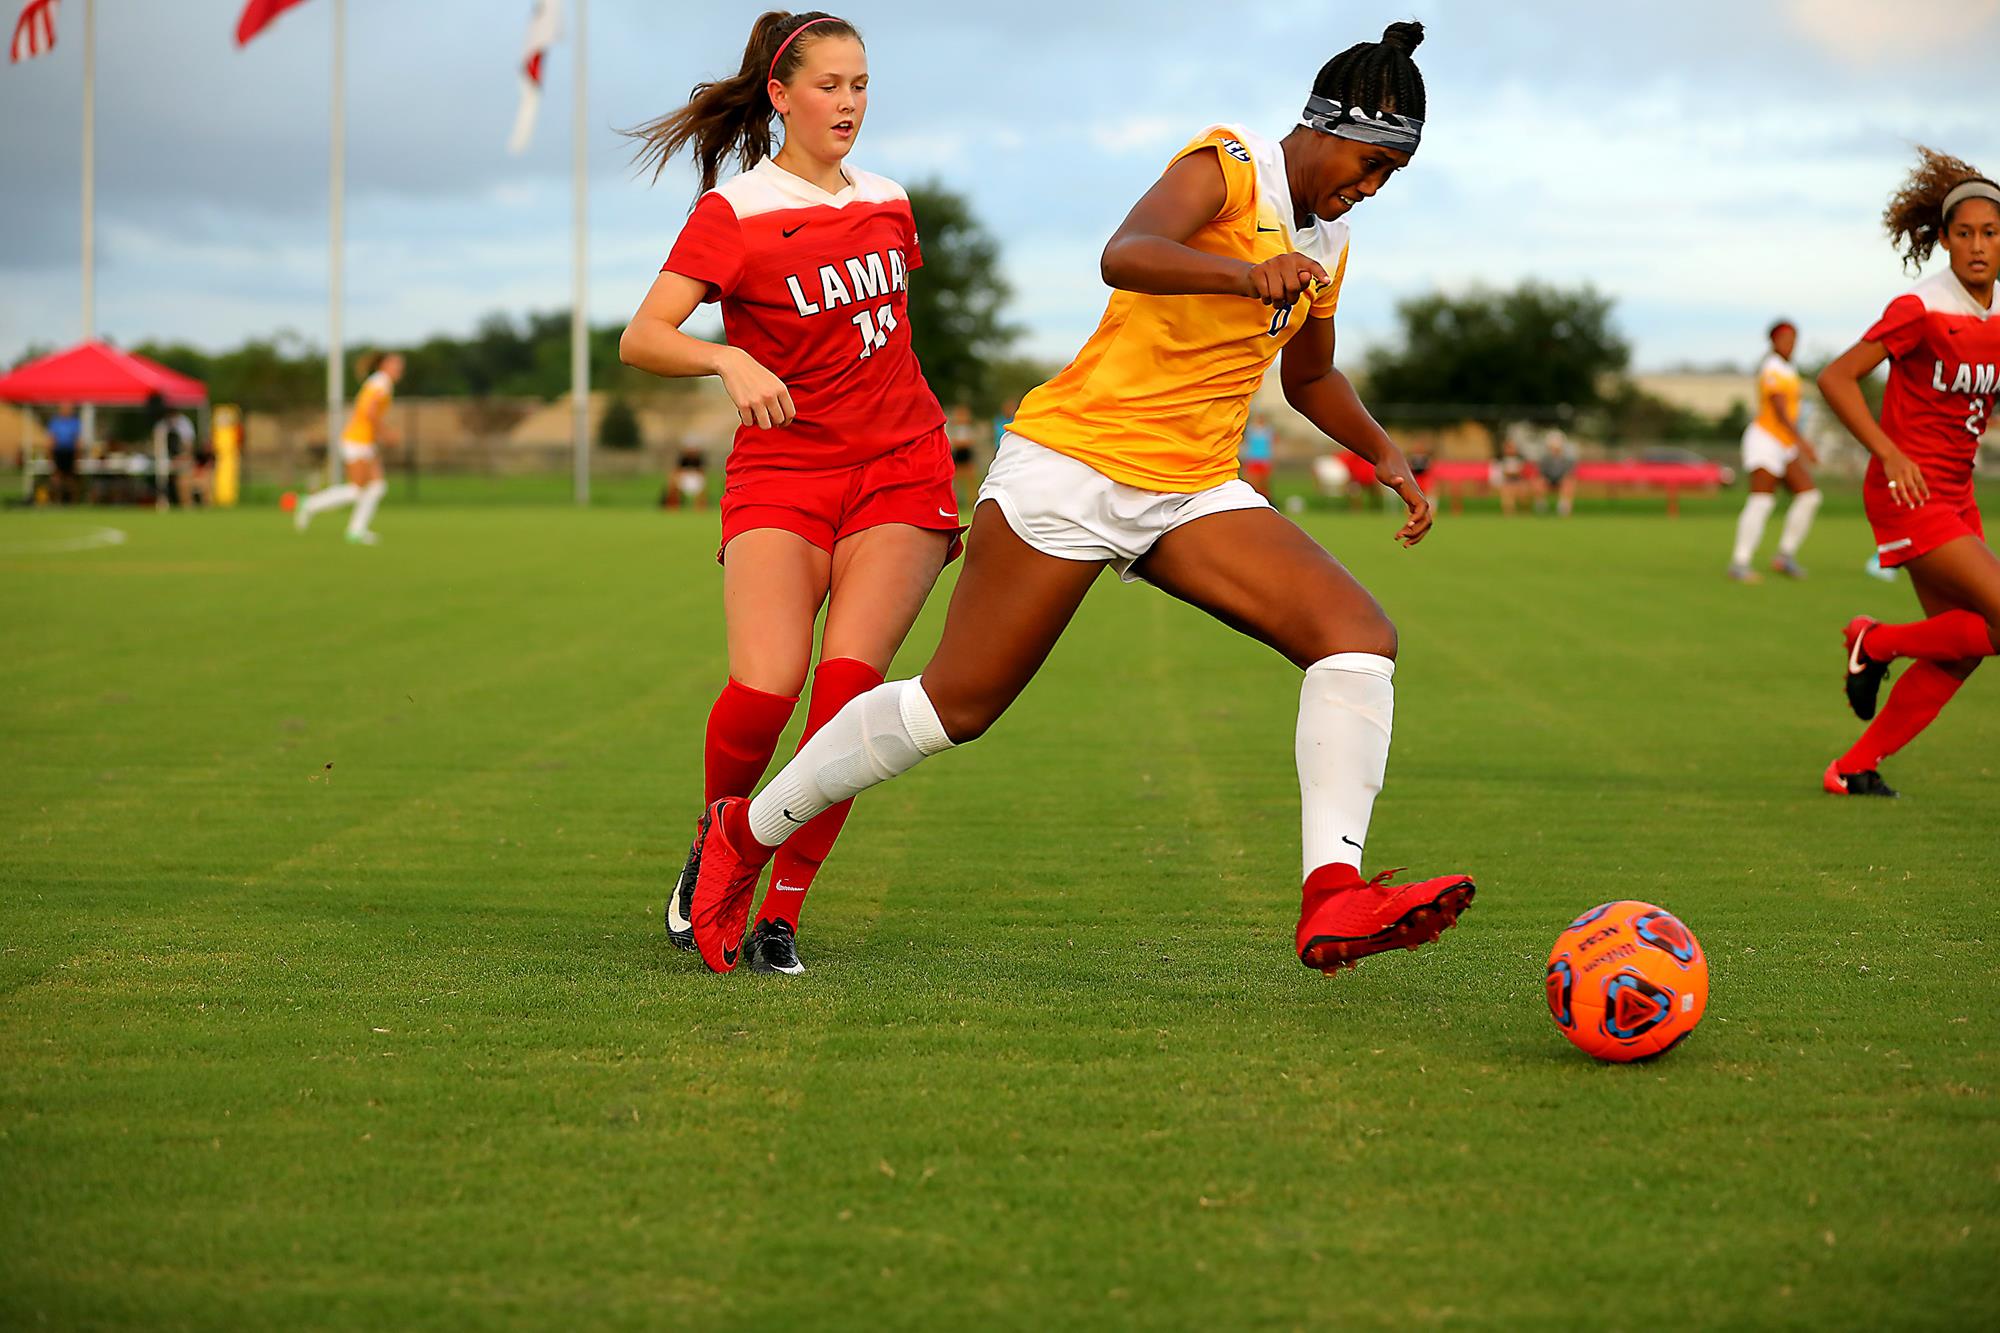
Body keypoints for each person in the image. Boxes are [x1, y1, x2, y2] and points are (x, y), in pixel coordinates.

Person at [683, 21, 1474, 976]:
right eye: (1370, 159)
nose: (1374, 184)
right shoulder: (1226, 166)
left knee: (1357, 637)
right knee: (954, 706)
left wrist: (1383, 452)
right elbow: (1125, 250)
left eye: (1395, 173)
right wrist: (1243, 272)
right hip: (1073, 466)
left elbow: (1310, 378)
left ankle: (1333, 896)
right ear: (1319, 125)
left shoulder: (1330, 243)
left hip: (1191, 488)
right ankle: (745, 833)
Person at [619, 11, 962, 975]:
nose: (849, 102)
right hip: (784, 469)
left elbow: (883, 342)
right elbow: (642, 337)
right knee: (765, 689)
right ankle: (718, 836)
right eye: (829, 85)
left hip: (903, 467)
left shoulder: (890, 200)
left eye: (861, 84)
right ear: (780, 96)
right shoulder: (734, 213)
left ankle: (783, 912)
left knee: (846, 701)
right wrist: (726, 357)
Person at [1819, 149, 2000, 797]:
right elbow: (1835, 377)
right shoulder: (1919, 307)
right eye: (1965, 233)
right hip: (1906, 491)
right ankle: (1879, 640)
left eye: (1991, 232)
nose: (1978, 245)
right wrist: (1888, 450)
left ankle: (1852, 767)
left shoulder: (1997, 317)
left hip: (1955, 494)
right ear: (1944, 240)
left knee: (1965, 648)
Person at [1727, 320, 1821, 581]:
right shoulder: (1771, 368)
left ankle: (1784, 556)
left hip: (1783, 444)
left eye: (1794, 339)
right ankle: (1739, 562)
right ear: (1773, 341)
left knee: (1809, 496)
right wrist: (1802, 442)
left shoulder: (1789, 370)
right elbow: (1779, 410)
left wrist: (1795, 442)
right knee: (1762, 501)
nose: (1791, 344)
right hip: (1765, 440)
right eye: (1786, 339)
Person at [287, 352, 401, 544]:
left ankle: (356, 530)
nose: (399, 369)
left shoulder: (382, 383)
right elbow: (368, 412)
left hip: (365, 442)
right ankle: (310, 504)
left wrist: (378, 436)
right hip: (357, 440)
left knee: (377, 486)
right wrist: (386, 433)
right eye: (395, 364)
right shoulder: (380, 383)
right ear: (383, 366)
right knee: (358, 490)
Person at [44, 402, 81, 505]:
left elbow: (77, 440)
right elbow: (51, 439)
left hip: (70, 452)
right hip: (58, 452)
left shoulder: (74, 422)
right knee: (57, 478)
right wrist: (50, 455)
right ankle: (57, 501)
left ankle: (73, 502)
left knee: (71, 479)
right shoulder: (55, 422)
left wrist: (77, 456)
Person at [1535, 431, 1576, 517]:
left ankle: (1563, 506)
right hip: (1548, 481)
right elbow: (1541, 473)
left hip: (1561, 481)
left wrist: (1563, 479)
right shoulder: (1545, 459)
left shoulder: (1567, 459)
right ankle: (1541, 505)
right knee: (1539, 481)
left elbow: (1569, 473)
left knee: (1568, 482)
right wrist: (1545, 479)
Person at [1240, 411, 1276, 499]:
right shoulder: (1250, 430)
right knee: (1252, 483)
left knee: (1264, 484)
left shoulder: (1268, 431)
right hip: (1252, 459)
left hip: (1263, 459)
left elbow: (1271, 445)